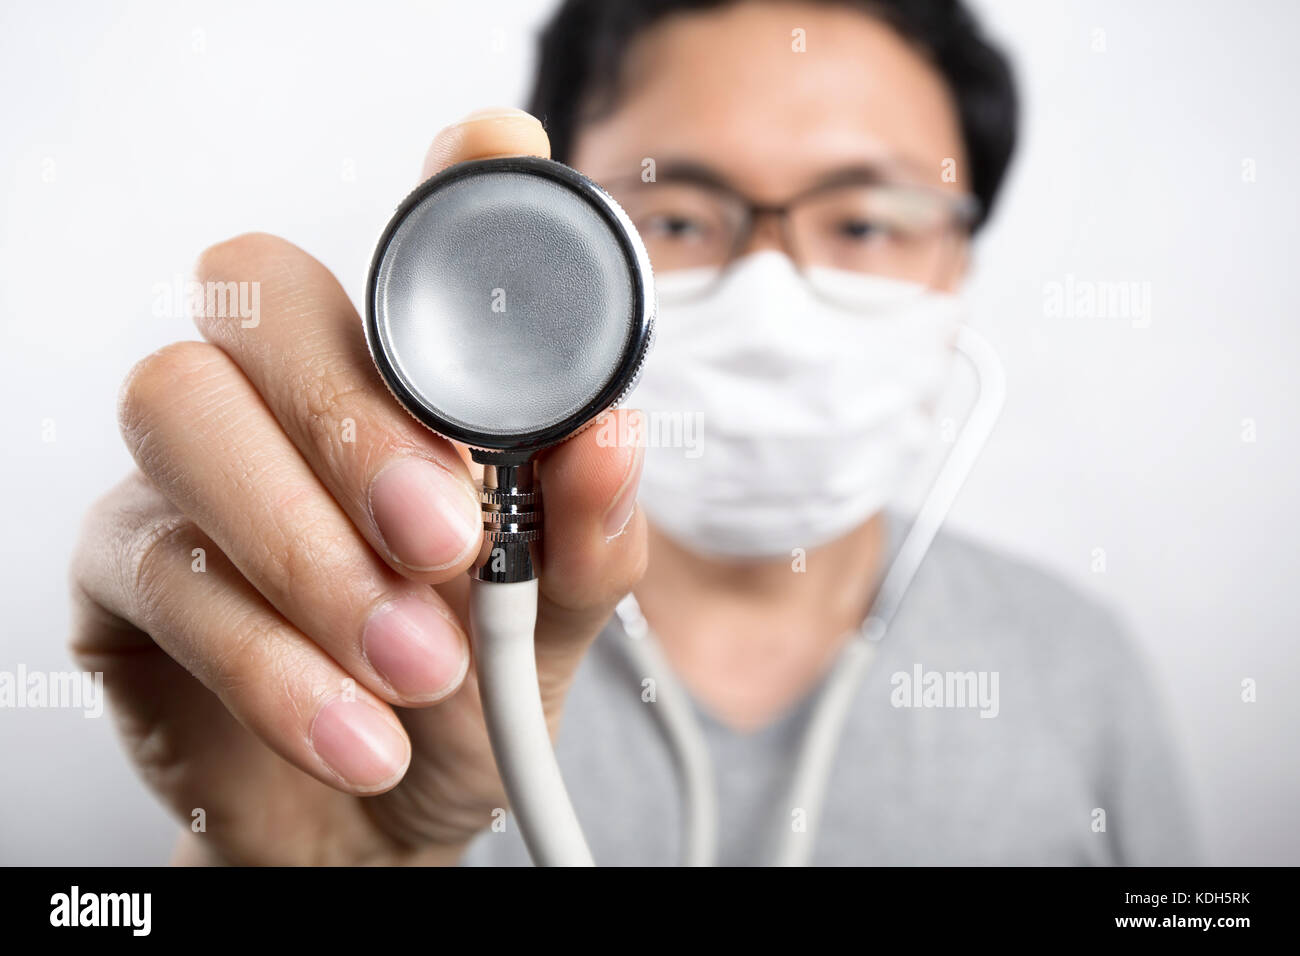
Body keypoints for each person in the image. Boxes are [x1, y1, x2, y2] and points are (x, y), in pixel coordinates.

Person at [69, 0, 1197, 865]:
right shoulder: (401, 671)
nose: (772, 289)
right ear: (559, 242)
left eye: (862, 218)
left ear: (957, 265)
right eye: (674, 214)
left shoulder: (1075, 661)